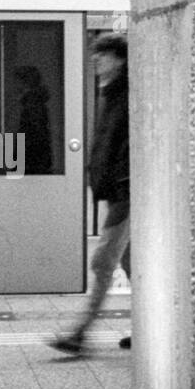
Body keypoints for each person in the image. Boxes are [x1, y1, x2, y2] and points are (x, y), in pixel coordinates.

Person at [51, 33, 133, 356]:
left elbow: (126, 148)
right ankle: (147, 328)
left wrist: (121, 184)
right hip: (115, 191)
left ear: (121, 59)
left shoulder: (127, 95)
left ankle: (79, 334)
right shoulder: (109, 94)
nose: (96, 60)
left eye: (103, 54)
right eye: (95, 54)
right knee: (131, 262)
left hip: (125, 192)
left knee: (102, 262)